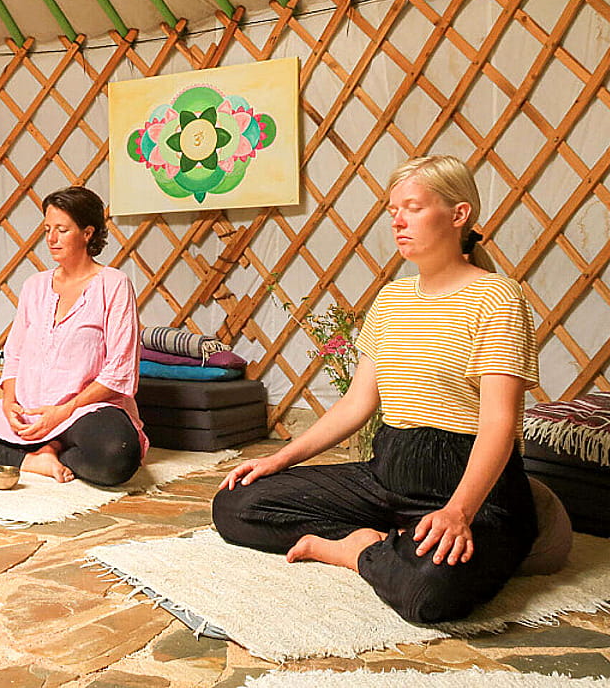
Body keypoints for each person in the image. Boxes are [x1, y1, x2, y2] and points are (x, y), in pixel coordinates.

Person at [213, 155, 539, 624]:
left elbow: (499, 422)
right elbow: (358, 402)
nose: (398, 221)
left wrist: (457, 512)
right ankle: (395, 543)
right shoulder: (391, 298)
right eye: (392, 211)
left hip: (469, 488)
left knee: (429, 595)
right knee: (236, 504)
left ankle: (359, 549)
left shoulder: (498, 298)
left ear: (459, 214)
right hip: (387, 475)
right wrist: (277, 459)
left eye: (413, 207)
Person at [0, 186, 144, 486]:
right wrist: (8, 403)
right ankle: (29, 459)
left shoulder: (114, 284)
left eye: (62, 230)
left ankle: (54, 446)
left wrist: (62, 412)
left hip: (82, 411)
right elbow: (14, 356)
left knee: (117, 456)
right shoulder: (35, 285)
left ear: (87, 233)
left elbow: (118, 372)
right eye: (47, 229)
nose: (51, 239)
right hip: (29, 409)